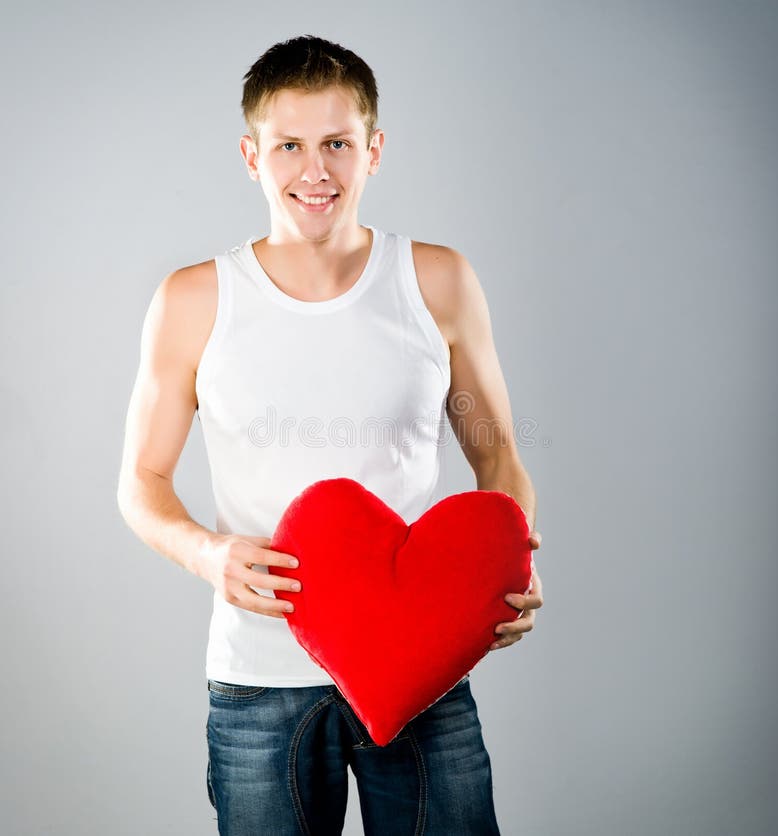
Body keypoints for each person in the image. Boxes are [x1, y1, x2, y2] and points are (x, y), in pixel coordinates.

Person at [116, 34, 544, 836]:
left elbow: (496, 452)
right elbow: (141, 482)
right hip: (259, 679)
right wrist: (208, 554)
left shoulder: (438, 281)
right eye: (290, 146)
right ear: (251, 156)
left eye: (337, 144)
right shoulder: (194, 300)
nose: (315, 170)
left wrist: (506, 566)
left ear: (373, 150)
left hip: (422, 667)